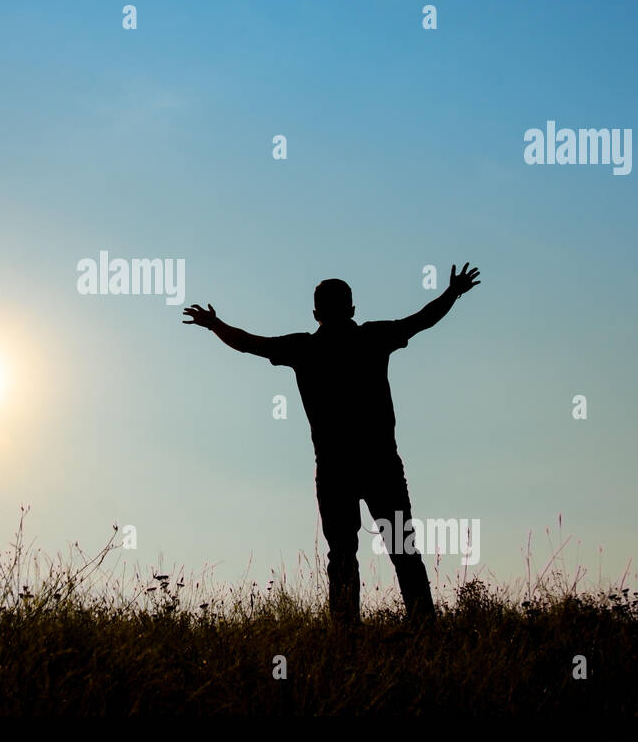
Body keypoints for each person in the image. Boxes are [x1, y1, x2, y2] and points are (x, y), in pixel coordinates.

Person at [182, 263, 481, 623]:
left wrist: (214, 325)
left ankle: (345, 635)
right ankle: (423, 628)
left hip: (335, 467)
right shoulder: (372, 337)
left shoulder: (303, 348)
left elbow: (249, 345)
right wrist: (453, 292)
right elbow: (422, 320)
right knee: (402, 548)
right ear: (352, 310)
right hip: (380, 463)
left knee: (341, 552)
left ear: (315, 313)